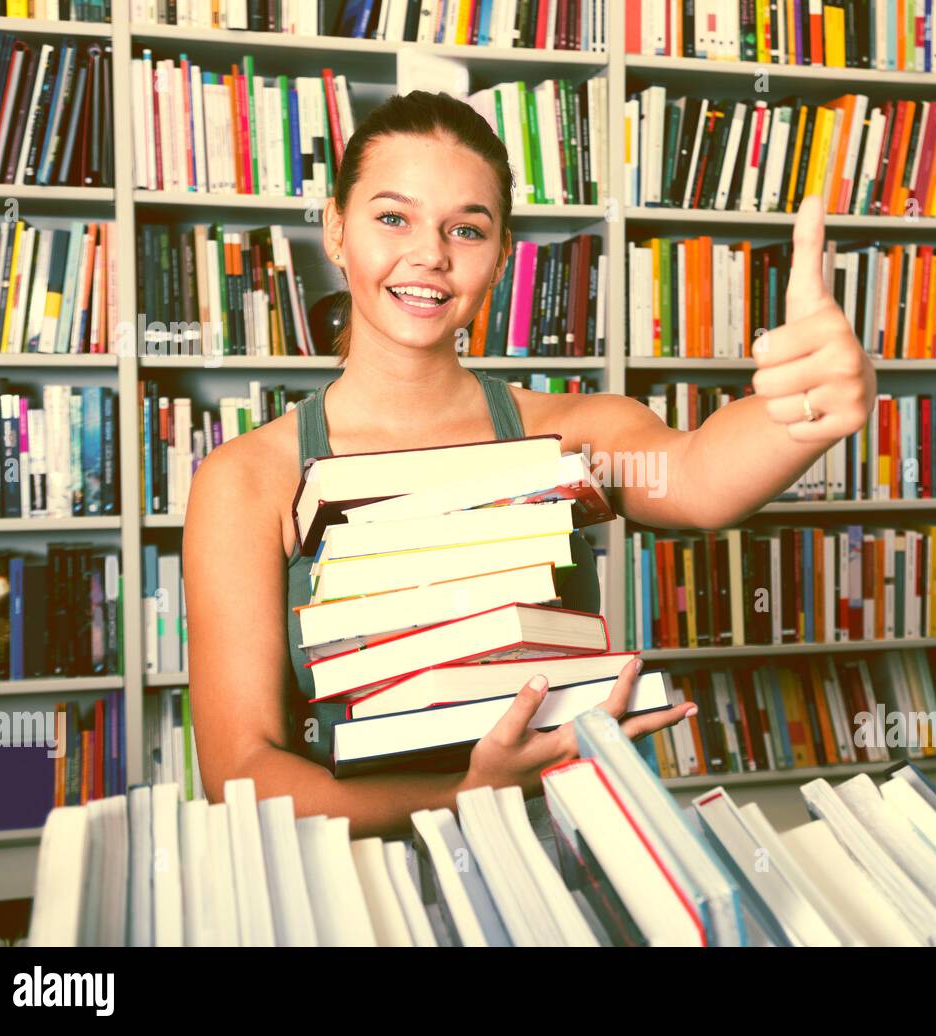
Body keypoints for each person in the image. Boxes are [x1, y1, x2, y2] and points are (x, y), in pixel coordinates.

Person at [183, 91, 876, 839]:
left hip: (561, 846)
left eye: (466, 229)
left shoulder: (568, 432)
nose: (430, 254)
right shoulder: (246, 479)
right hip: (356, 874)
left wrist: (803, 410)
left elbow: (700, 478)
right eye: (393, 218)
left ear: (502, 253)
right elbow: (243, 773)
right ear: (336, 231)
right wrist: (468, 792)